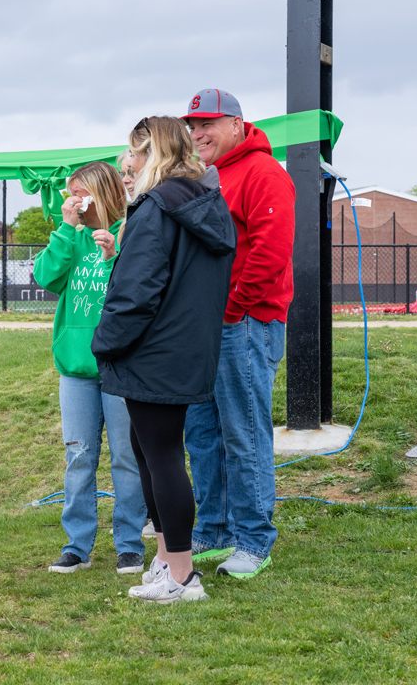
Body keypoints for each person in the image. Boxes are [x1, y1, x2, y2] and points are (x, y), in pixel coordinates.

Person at [92, 116, 236, 604]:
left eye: (132, 153)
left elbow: (136, 292)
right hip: (183, 350)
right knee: (152, 451)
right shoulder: (202, 202)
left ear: (152, 153)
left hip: (154, 353)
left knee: (163, 457)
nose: (126, 163)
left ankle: (182, 576)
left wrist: (104, 343)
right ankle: (166, 560)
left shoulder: (155, 209)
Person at [181, 89, 295, 579]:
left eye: (207, 123)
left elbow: (270, 253)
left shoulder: (265, 173)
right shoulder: (208, 175)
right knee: (203, 432)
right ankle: (214, 529)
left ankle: (254, 540)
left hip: (244, 323)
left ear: (237, 124)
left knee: (243, 432)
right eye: (191, 126)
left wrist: (230, 310)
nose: (197, 133)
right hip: (208, 325)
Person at [33, 161, 147, 576]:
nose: (71, 201)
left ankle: (129, 544)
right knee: (79, 455)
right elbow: (45, 276)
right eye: (68, 194)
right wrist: (67, 230)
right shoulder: (70, 236)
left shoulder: (128, 230)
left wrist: (113, 256)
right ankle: (77, 546)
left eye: (77, 193)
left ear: (98, 193)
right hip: (76, 368)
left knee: (126, 458)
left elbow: (140, 290)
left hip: (120, 365)